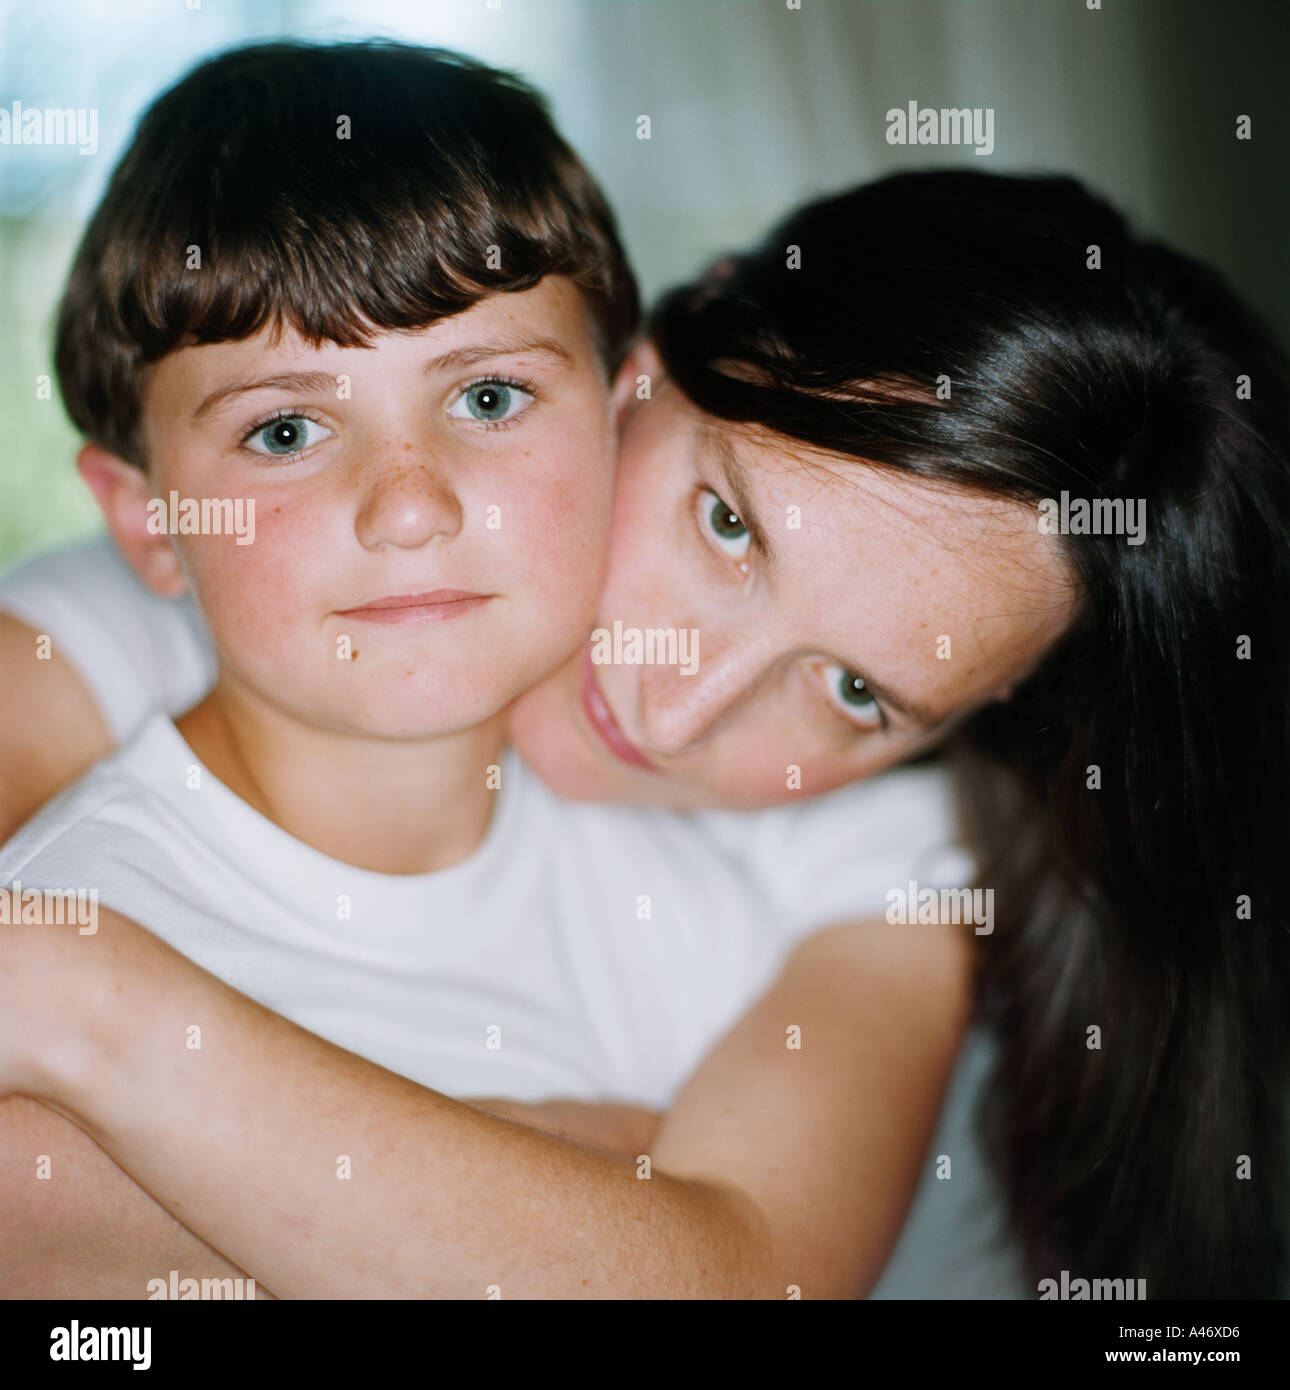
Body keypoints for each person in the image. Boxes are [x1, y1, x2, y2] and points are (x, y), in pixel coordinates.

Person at [4, 66, 1286, 1299]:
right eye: (727, 525)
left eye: (853, 694)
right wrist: (594, 1172)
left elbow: (746, 1276)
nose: (670, 712)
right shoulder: (189, 601)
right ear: (649, 363)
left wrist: (86, 1009)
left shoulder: (875, 855)